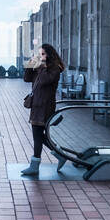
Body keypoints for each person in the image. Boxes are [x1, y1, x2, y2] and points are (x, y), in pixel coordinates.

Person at [21, 43, 64, 177]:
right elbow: (26, 79)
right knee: (39, 136)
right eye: (39, 54)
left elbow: (45, 80)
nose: (40, 57)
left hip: (45, 107)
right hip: (36, 106)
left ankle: (35, 166)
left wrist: (41, 67)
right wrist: (30, 65)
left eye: (43, 54)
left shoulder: (54, 69)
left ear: (49, 55)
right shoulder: (40, 68)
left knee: (37, 136)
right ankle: (60, 155)